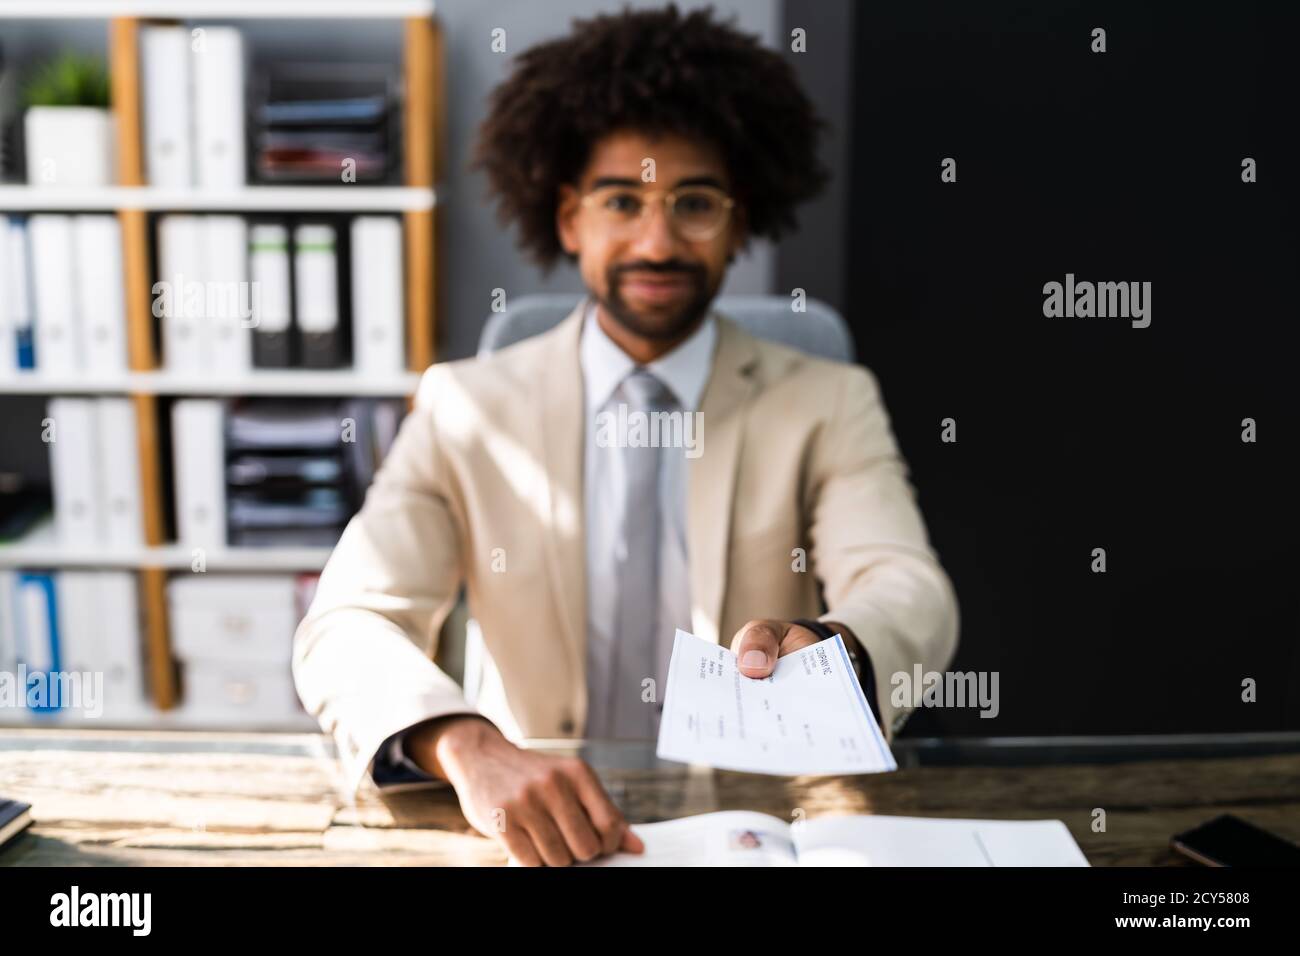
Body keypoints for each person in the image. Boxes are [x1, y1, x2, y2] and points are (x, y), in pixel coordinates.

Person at [293, 4, 958, 867]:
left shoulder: (828, 399)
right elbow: (346, 619)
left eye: (694, 203)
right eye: (622, 201)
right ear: (570, 220)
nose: (657, 239)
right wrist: (463, 742)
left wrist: (842, 647)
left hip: (750, 827)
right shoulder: (464, 405)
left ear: (738, 221)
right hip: (530, 828)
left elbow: (908, 585)